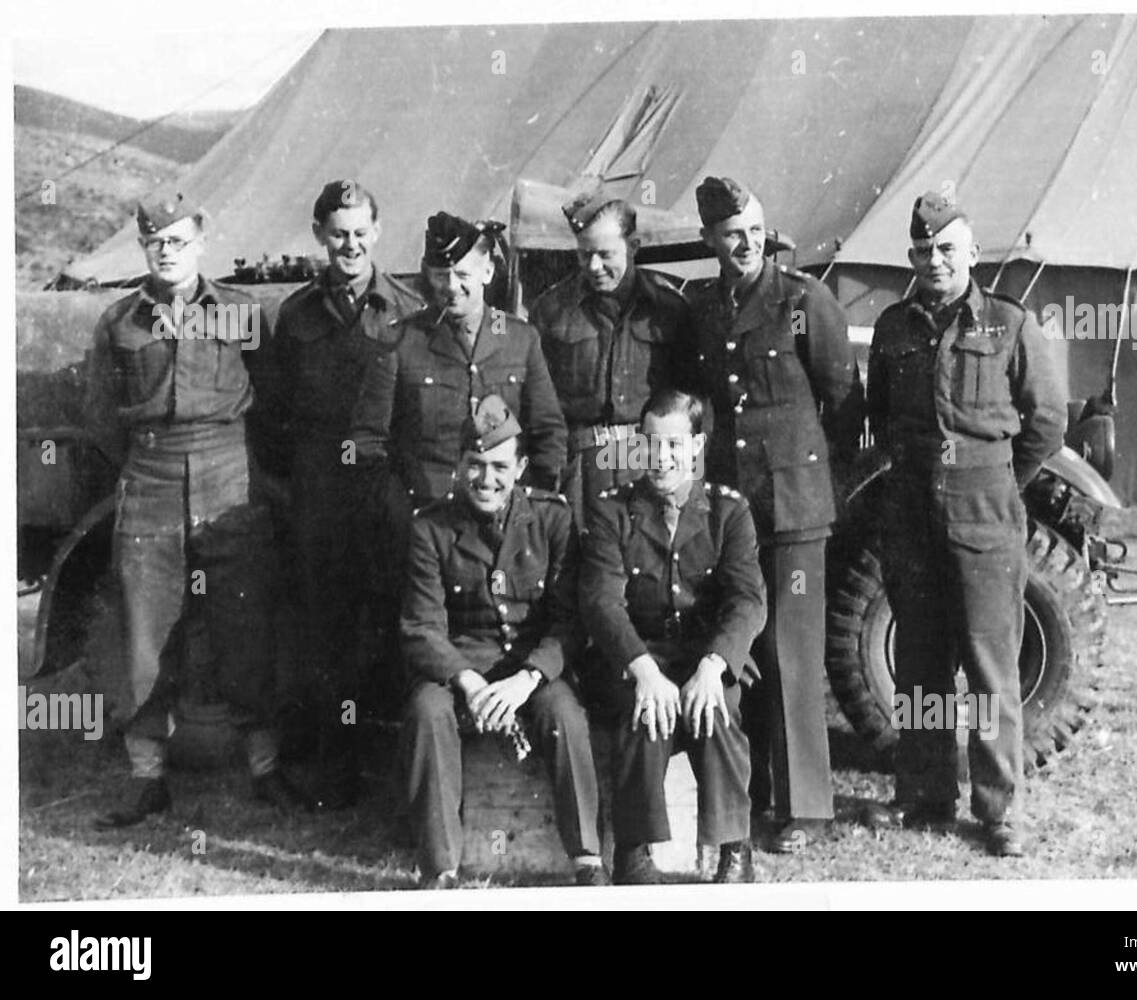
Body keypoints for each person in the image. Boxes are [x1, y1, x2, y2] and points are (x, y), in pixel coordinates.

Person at [84, 192, 301, 827]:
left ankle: (265, 770)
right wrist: (144, 463)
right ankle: (147, 777)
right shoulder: (121, 321)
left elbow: (274, 402)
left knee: (246, 624)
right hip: (149, 477)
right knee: (145, 632)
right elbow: (101, 418)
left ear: (200, 241)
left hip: (229, 478)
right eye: (156, 243)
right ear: (144, 247)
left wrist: (252, 473)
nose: (167, 252)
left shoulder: (240, 313)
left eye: (178, 240)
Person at [865, 190, 1067, 857]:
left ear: (972, 253)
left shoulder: (1008, 325)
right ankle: (924, 795)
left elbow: (1045, 421)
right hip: (912, 513)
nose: (935, 260)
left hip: (985, 509)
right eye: (923, 250)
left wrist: (1002, 482)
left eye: (946, 248)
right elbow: (879, 412)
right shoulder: (894, 328)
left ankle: (998, 809)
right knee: (920, 661)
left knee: (988, 668)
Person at [685, 177, 864, 852]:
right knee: (745, 648)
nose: (747, 242)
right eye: (732, 233)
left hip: (792, 509)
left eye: (756, 229)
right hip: (733, 509)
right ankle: (755, 792)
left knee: (792, 651)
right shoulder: (701, 306)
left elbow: (842, 400)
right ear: (710, 240)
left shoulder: (801, 301)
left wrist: (818, 485)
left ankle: (808, 808)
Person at [260, 180, 425, 809]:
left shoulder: (406, 309)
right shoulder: (296, 315)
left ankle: (395, 770)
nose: (351, 245)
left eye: (361, 232)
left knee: (390, 624)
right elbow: (273, 416)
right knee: (326, 634)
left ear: (378, 232)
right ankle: (336, 769)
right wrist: (299, 489)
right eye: (339, 234)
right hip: (320, 500)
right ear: (319, 236)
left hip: (384, 497)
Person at [399, 395, 604, 888]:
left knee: (565, 715)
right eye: (474, 466)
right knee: (427, 712)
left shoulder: (552, 520)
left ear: (520, 469)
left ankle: (588, 861)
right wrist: (471, 684)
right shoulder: (431, 527)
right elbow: (421, 626)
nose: (486, 480)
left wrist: (525, 681)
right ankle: (440, 868)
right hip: (459, 667)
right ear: (458, 465)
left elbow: (570, 621)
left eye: (498, 467)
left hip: (531, 667)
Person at [580, 389, 767, 884]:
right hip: (639, 654)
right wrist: (642, 669)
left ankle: (734, 848)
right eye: (650, 445)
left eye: (674, 446)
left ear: (698, 447)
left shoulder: (729, 512)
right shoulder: (611, 511)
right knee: (647, 711)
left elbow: (748, 600)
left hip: (705, 652)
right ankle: (635, 851)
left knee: (718, 708)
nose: (661, 458)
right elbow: (601, 600)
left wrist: (714, 665)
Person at [350, 211, 567, 526]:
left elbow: (549, 431)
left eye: (463, 275)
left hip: (505, 513)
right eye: (441, 275)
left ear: (488, 272)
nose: (451, 287)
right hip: (426, 516)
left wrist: (534, 501)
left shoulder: (520, 338)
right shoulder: (400, 342)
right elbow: (367, 441)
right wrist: (395, 506)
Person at [530, 187, 695, 531]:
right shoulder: (552, 311)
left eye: (605, 254)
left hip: (651, 463)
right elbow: (538, 404)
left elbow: (691, 398)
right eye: (584, 254)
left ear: (633, 247)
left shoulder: (669, 309)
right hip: (582, 470)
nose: (593, 266)